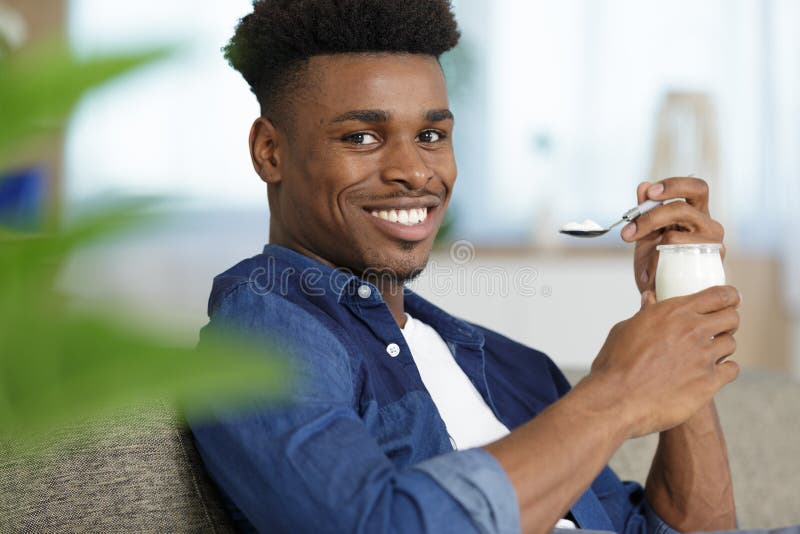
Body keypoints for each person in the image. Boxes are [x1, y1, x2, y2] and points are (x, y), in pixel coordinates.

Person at [189, 1, 743, 532]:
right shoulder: (261, 332)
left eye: (431, 136)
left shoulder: (508, 366)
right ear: (269, 152)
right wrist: (616, 395)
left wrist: (681, 314)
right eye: (361, 136)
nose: (413, 171)